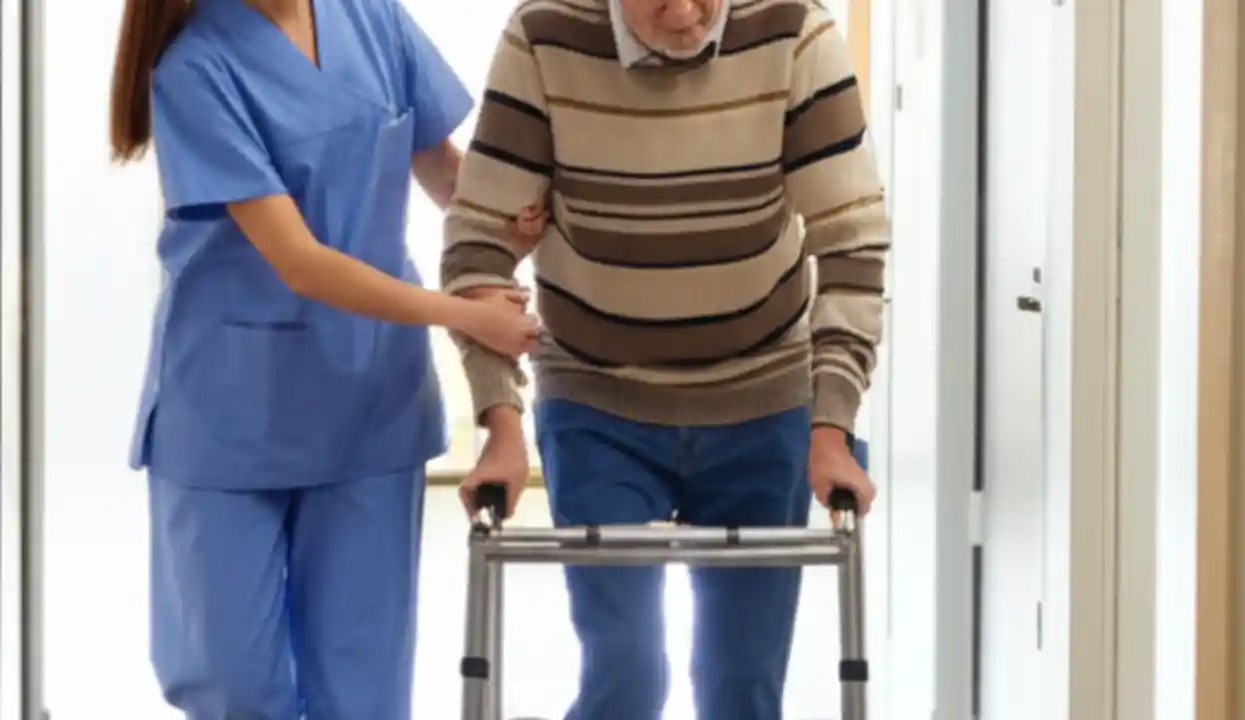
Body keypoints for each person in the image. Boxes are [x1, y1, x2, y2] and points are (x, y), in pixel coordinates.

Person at [441, 0, 890, 718]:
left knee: (740, 680)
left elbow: (852, 243)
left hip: (762, 392)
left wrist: (830, 428)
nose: (684, 12)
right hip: (597, 397)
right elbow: (478, 241)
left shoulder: (794, 32)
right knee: (625, 671)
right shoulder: (544, 36)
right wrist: (500, 418)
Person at [109, 1, 543, 718]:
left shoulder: (372, 19)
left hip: (370, 404)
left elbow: (440, 169)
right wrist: (466, 317)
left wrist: (509, 220)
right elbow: (301, 262)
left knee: (364, 685)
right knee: (233, 683)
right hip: (230, 415)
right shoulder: (195, 69)